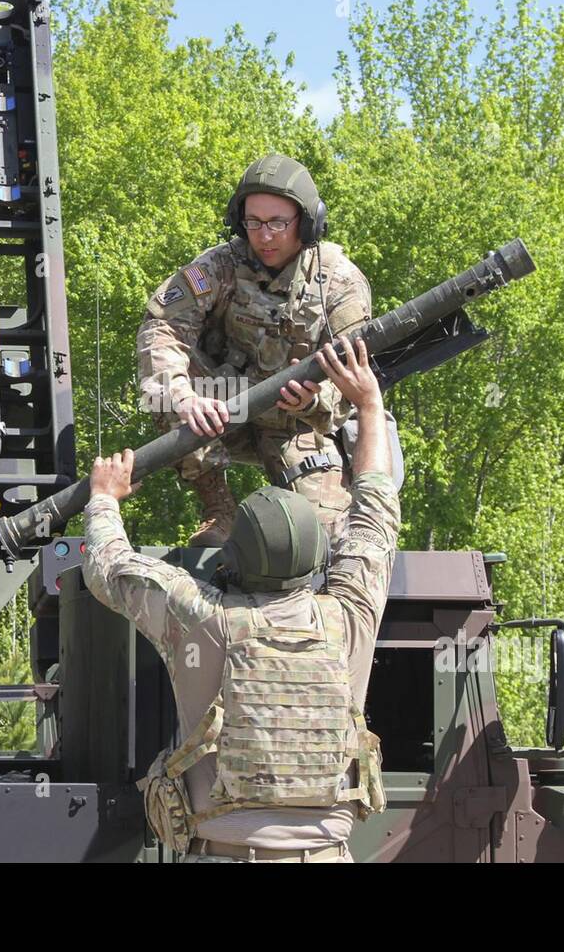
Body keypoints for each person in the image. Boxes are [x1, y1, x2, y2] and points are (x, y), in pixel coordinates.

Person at [84, 335, 399, 863]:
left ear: (232, 558)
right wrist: (369, 405)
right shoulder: (350, 614)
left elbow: (110, 568)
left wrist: (103, 498)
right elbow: (375, 502)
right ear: (318, 555)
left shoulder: (204, 617)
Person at [137, 154, 378, 546]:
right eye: (253, 222)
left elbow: (356, 383)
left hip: (296, 422)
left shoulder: (341, 284)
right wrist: (182, 397)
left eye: (277, 223)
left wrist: (315, 401)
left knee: (326, 539)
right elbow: (161, 326)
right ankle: (220, 511)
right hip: (219, 404)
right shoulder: (220, 265)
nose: (264, 235)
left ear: (308, 221)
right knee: (161, 392)